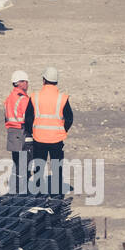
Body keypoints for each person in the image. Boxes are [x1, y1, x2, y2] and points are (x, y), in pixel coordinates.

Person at [26, 66, 74, 195]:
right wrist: (62, 130)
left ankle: (37, 193)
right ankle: (56, 194)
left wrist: (32, 132)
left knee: (38, 167)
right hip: (56, 139)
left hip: (39, 139)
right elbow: (69, 118)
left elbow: (28, 118)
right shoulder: (62, 98)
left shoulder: (35, 97)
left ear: (44, 80)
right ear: (56, 81)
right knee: (56, 168)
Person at [4, 70, 32, 193]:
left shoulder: (9, 98)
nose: (27, 84)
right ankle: (23, 193)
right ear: (21, 83)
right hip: (23, 134)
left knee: (16, 166)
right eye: (26, 82)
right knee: (25, 166)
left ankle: (15, 191)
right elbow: (29, 118)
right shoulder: (23, 99)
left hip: (12, 134)